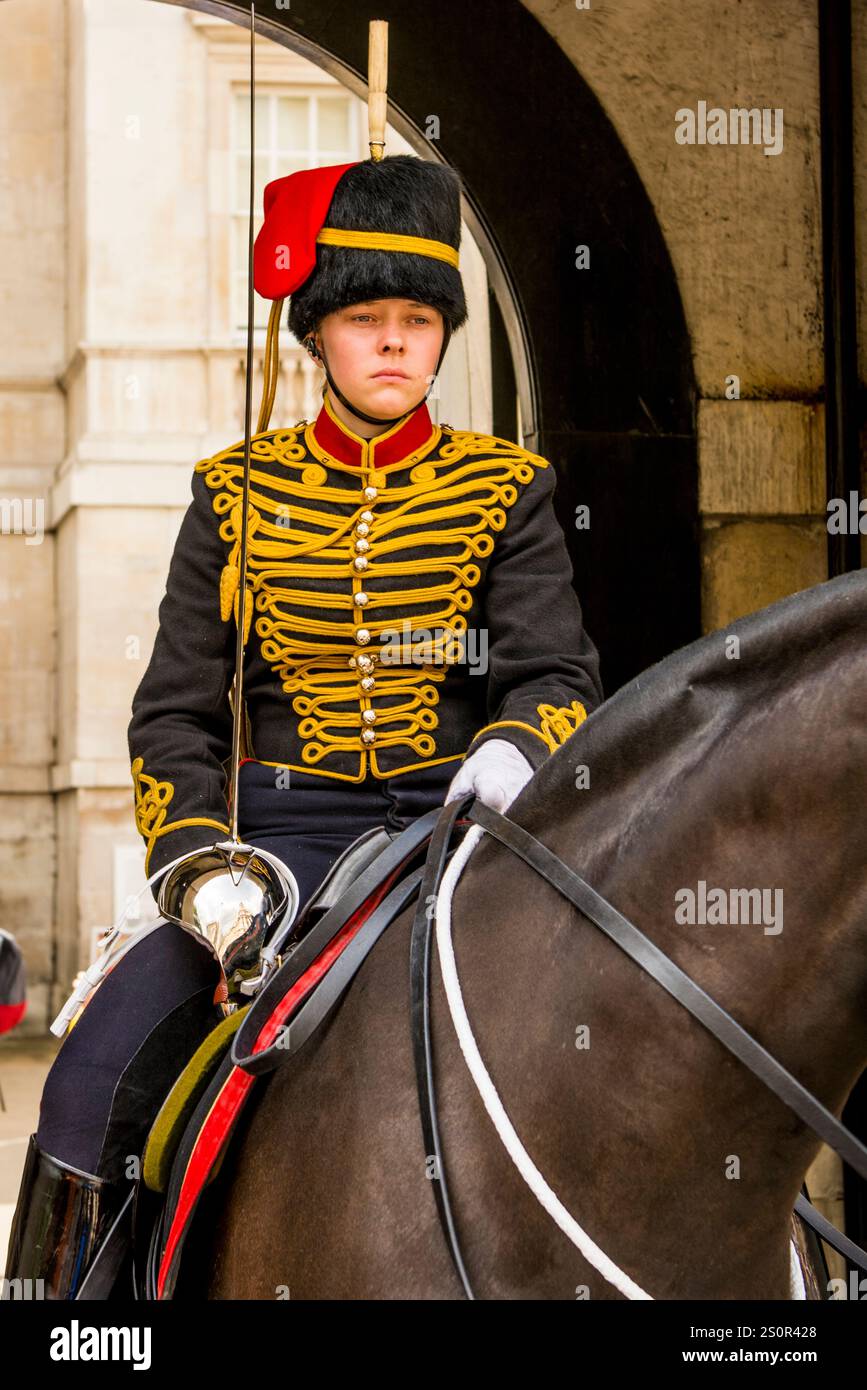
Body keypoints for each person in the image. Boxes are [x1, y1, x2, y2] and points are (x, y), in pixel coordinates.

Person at [3, 153, 603, 1299]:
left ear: (442, 337)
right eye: (366, 317)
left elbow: (557, 674)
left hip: (460, 840)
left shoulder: (505, 488)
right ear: (318, 334)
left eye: (418, 320)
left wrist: (511, 751)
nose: (393, 342)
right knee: (87, 1080)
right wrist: (203, 871)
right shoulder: (232, 495)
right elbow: (174, 711)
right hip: (277, 852)